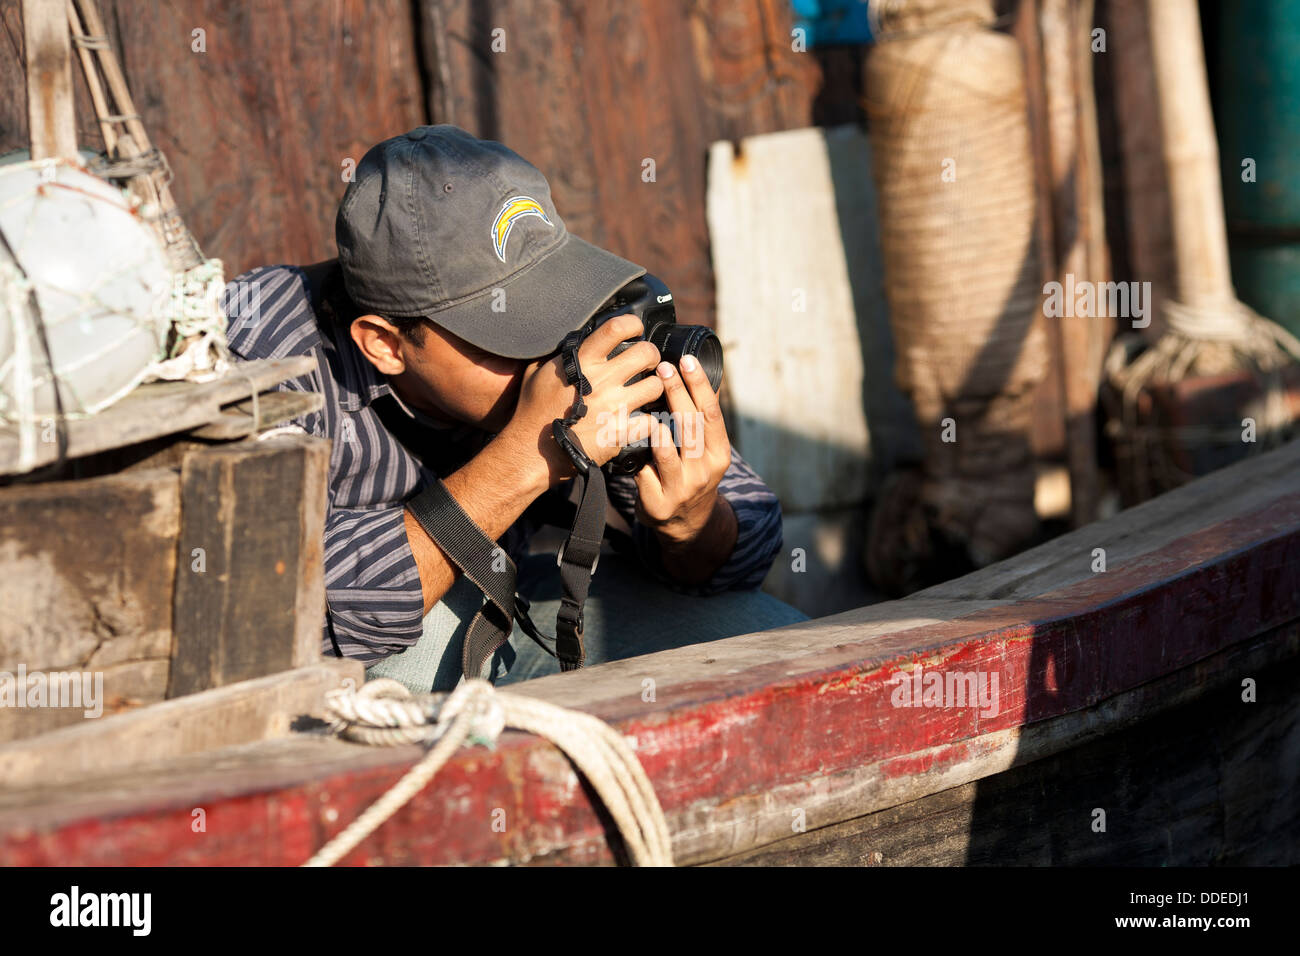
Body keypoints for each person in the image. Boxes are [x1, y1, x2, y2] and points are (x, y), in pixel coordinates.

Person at [223, 125, 805, 693]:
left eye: (555, 302)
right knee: (419, 660)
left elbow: (745, 541)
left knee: (769, 645)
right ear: (386, 343)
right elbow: (282, 621)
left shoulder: (570, 334)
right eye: (510, 331)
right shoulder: (253, 360)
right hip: (315, 691)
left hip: (506, 602)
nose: (550, 351)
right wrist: (528, 456)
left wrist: (693, 523)